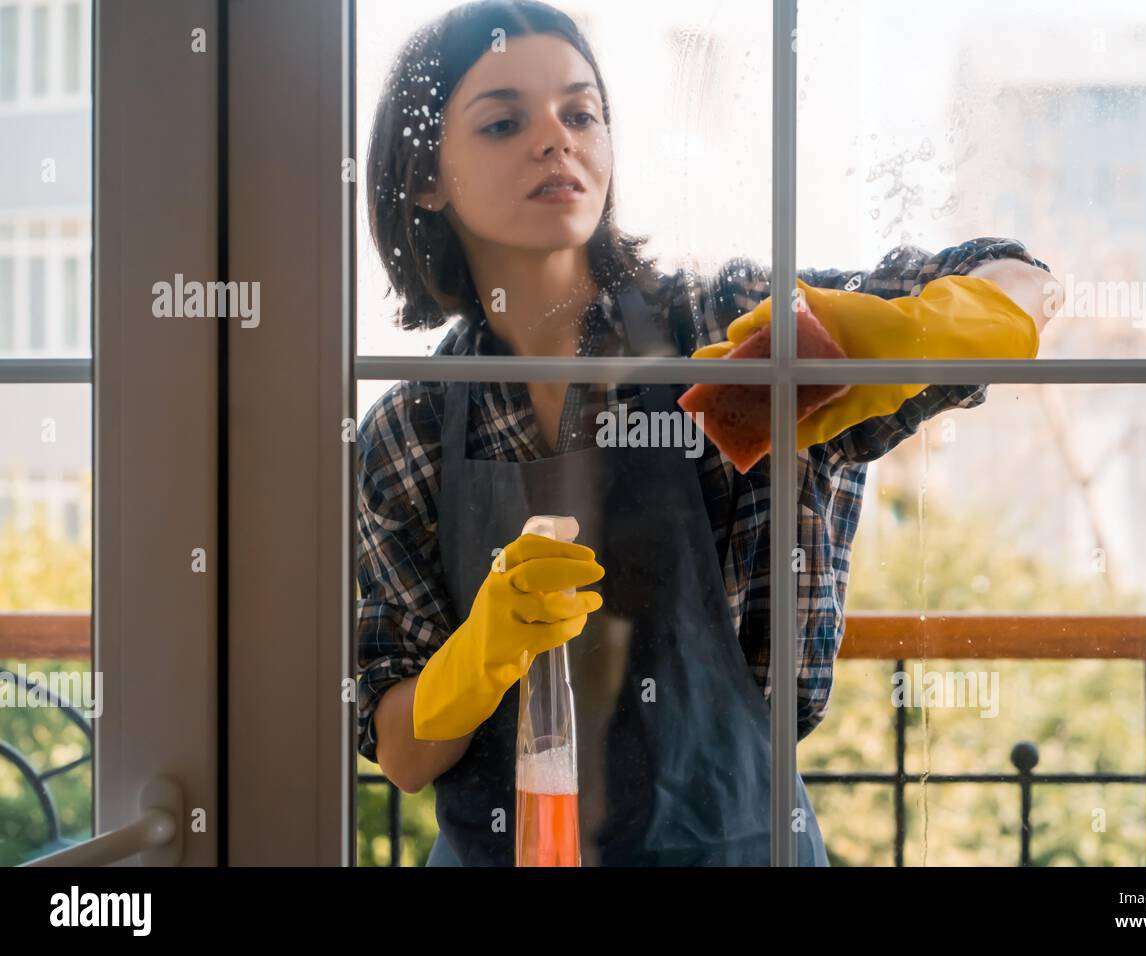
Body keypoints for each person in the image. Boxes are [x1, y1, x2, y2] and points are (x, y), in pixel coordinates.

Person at [356, 0, 1057, 867]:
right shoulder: (409, 425)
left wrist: (935, 330)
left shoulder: (725, 328)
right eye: (504, 121)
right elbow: (404, 755)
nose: (556, 139)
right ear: (425, 178)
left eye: (581, 113)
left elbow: (1018, 276)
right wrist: (483, 651)